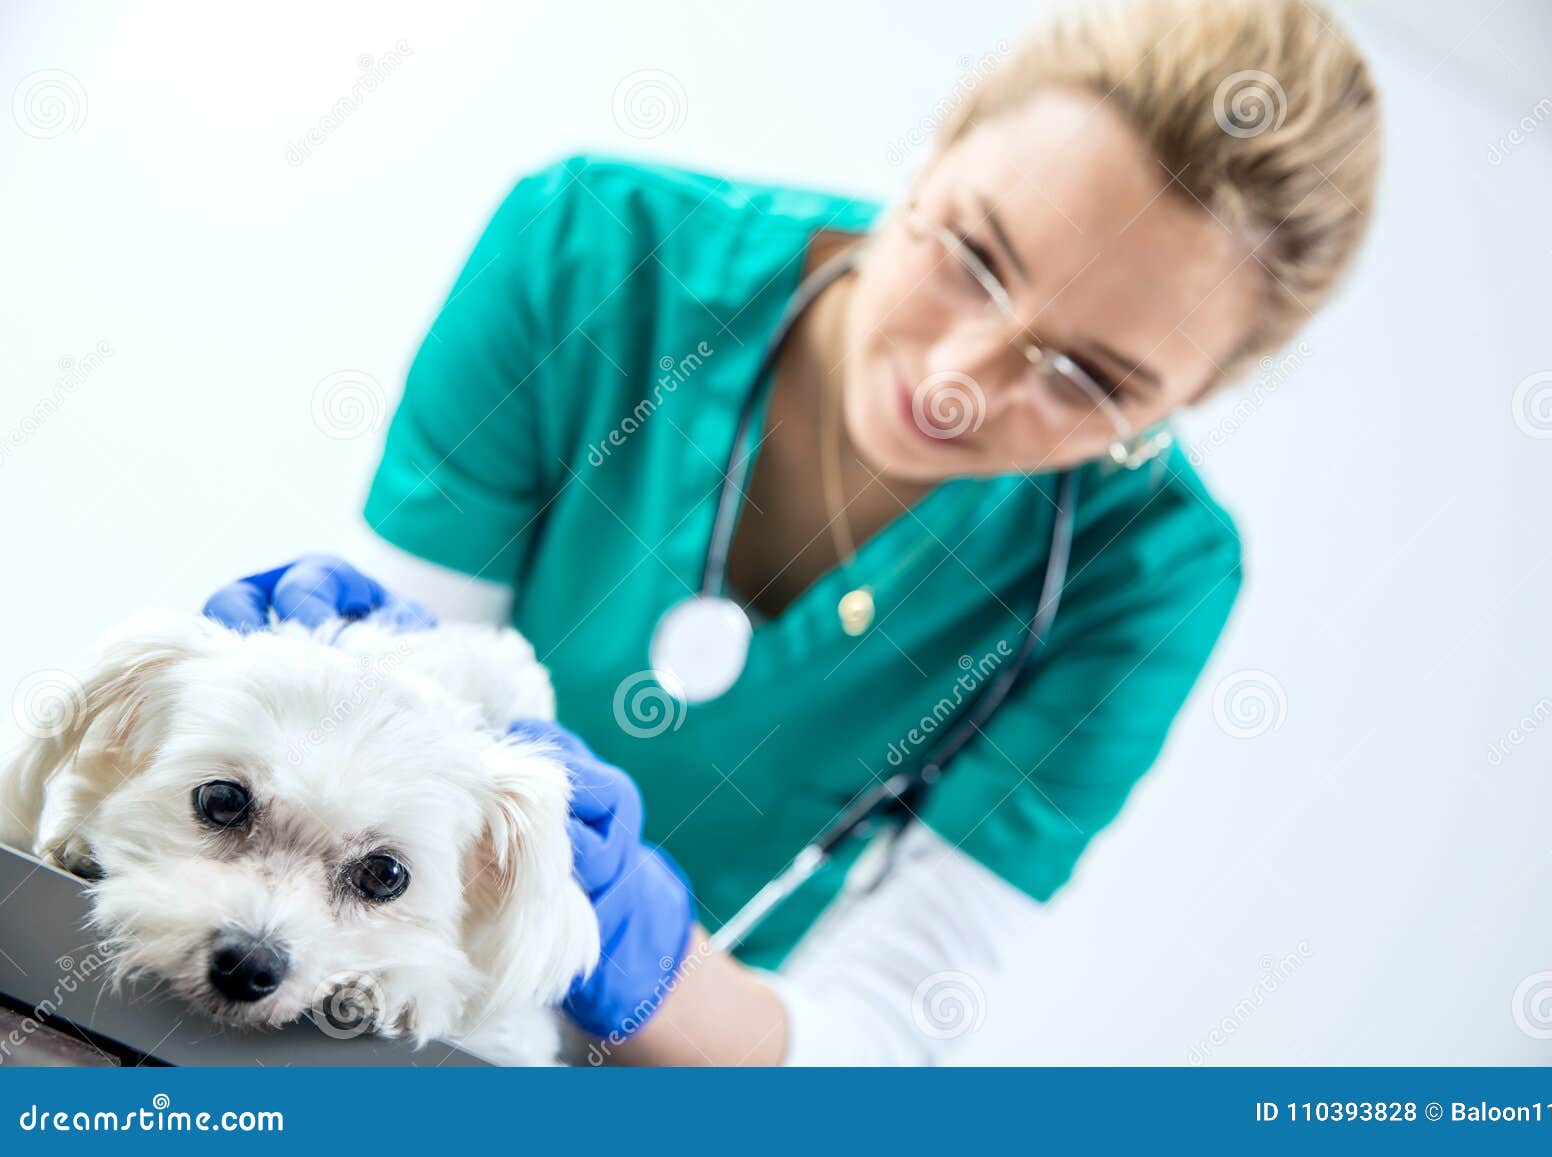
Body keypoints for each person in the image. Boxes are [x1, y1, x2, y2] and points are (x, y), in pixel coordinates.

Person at [204, 0, 1380, 1064]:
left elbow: (890, 1027)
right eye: (970, 254)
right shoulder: (594, 256)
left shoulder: (1149, 572)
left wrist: (646, 965)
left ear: (1188, 401)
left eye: (1087, 377)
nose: (961, 378)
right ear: (940, 139)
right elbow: (389, 731)